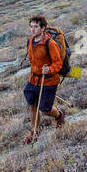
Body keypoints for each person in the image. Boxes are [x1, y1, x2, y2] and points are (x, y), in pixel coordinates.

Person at [23, 15, 66, 144]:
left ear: (43, 28)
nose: (33, 29)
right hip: (33, 79)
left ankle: (59, 115)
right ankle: (35, 132)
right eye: (31, 26)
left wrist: (50, 70)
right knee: (32, 105)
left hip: (48, 81)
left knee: (45, 109)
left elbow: (58, 63)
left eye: (36, 26)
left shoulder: (50, 43)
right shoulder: (30, 41)